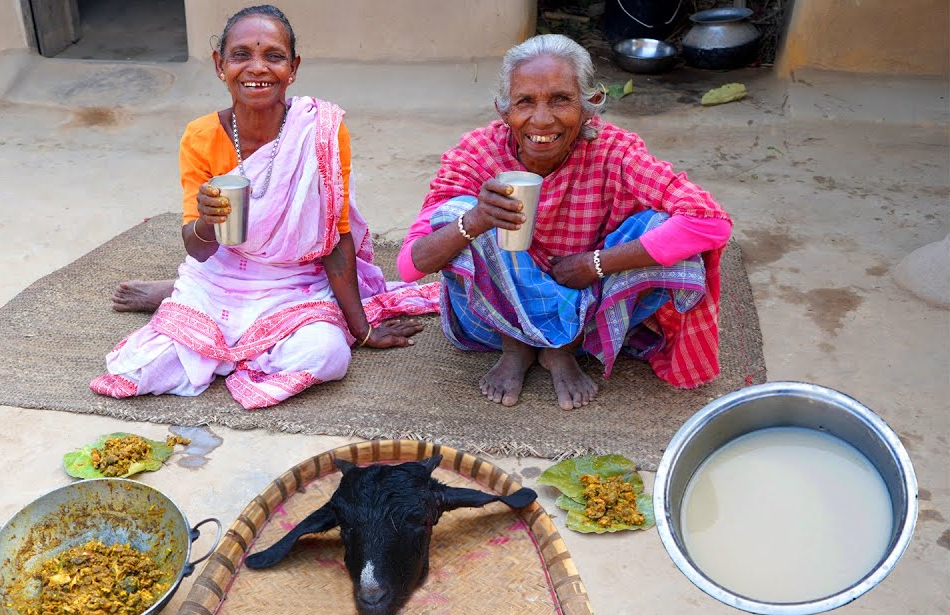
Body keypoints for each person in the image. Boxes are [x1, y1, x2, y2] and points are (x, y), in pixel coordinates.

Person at [92, 5, 437, 409]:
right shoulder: (200, 136)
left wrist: (361, 331)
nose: (257, 68)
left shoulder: (320, 130)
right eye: (241, 55)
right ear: (220, 66)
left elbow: (335, 236)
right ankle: (185, 300)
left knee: (327, 354)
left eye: (273, 56)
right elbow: (199, 248)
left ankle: (198, 318)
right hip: (219, 276)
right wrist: (206, 220)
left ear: (293, 68)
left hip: (295, 281)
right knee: (137, 370)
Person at [399, 34, 732, 411]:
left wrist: (597, 264)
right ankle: (518, 346)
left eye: (561, 99)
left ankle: (563, 348)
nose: (542, 119)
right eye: (525, 102)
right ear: (504, 110)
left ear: (589, 105)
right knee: (452, 214)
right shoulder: (477, 152)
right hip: (492, 323)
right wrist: (476, 218)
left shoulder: (614, 151)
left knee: (665, 229)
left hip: (582, 312)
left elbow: (711, 223)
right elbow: (410, 264)